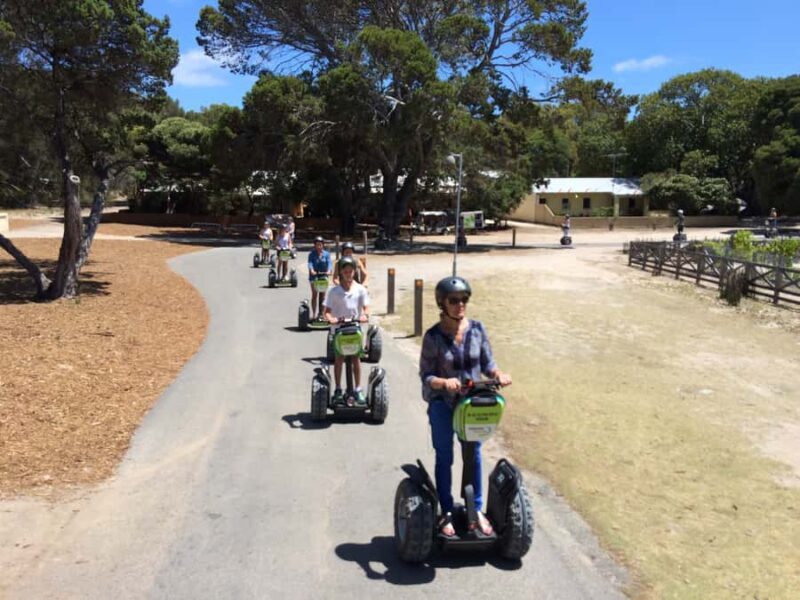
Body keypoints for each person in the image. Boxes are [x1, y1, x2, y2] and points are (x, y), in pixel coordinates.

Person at [419, 276, 512, 537]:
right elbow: (425, 375)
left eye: (464, 300)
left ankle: (477, 509)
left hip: (472, 405)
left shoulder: (478, 329)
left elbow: (487, 363)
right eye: (454, 300)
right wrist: (442, 382)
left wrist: (498, 375)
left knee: (474, 454)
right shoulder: (433, 337)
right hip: (443, 405)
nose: (460, 305)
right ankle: (447, 510)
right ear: (442, 303)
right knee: (444, 457)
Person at [324, 257, 370, 405]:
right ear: (341, 273)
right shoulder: (334, 292)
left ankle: (357, 389)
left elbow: (366, 307)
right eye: (345, 271)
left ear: (354, 272)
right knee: (339, 358)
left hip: (355, 327)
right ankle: (338, 388)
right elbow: (327, 312)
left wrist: (364, 315)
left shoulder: (360, 289)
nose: (348, 274)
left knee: (356, 358)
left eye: (351, 271)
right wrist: (331, 318)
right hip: (339, 329)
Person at [307, 236, 333, 319]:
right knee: (315, 295)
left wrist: (329, 270)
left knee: (323, 296)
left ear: (323, 245)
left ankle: (322, 314)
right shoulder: (311, 254)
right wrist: (311, 270)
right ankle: (314, 314)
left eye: (320, 245)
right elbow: (310, 263)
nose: (319, 246)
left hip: (323, 275)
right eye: (317, 245)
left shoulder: (326, 254)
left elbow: (329, 263)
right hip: (314, 276)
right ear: (314, 245)